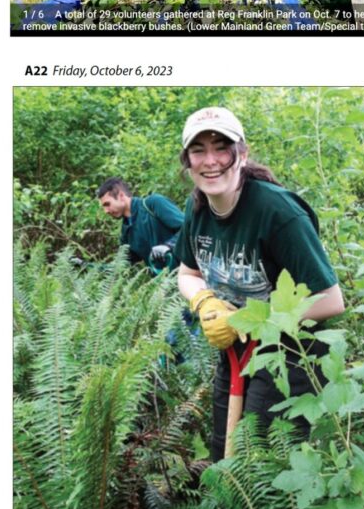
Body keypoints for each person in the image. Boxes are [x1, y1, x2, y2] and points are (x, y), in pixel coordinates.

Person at [173, 105, 345, 463]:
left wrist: (249, 319)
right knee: (225, 450)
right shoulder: (197, 208)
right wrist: (205, 302)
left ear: (242, 153)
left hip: (291, 354)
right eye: (198, 150)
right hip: (237, 348)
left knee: (263, 460)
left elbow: (331, 300)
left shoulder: (278, 213)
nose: (211, 161)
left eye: (221, 147)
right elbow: (187, 273)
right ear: (187, 161)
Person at [97, 177, 184, 273]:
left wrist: (168, 245)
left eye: (107, 204)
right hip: (164, 285)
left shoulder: (153, 204)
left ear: (121, 196)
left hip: (190, 275)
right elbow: (121, 265)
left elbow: (189, 229)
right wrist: (90, 267)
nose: (105, 211)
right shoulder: (126, 231)